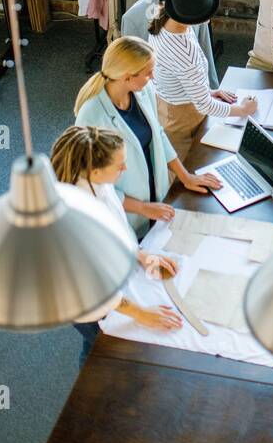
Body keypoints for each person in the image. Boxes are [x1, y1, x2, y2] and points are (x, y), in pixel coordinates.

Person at [50, 125, 183, 367]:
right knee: (103, 351)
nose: (125, 169)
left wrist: (140, 254)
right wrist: (141, 314)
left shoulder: (97, 180)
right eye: (119, 166)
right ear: (95, 171)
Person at [74, 36, 220, 237]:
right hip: (126, 212)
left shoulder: (144, 90)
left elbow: (158, 135)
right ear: (127, 77)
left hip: (155, 196)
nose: (153, 77)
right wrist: (143, 208)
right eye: (148, 73)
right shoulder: (91, 114)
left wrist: (185, 177)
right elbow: (91, 184)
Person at [147, 0, 258, 161]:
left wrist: (205, 91)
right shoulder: (186, 52)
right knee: (185, 170)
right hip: (182, 120)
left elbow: (175, 74)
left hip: (165, 104)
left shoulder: (161, 16)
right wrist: (242, 110)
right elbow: (204, 105)